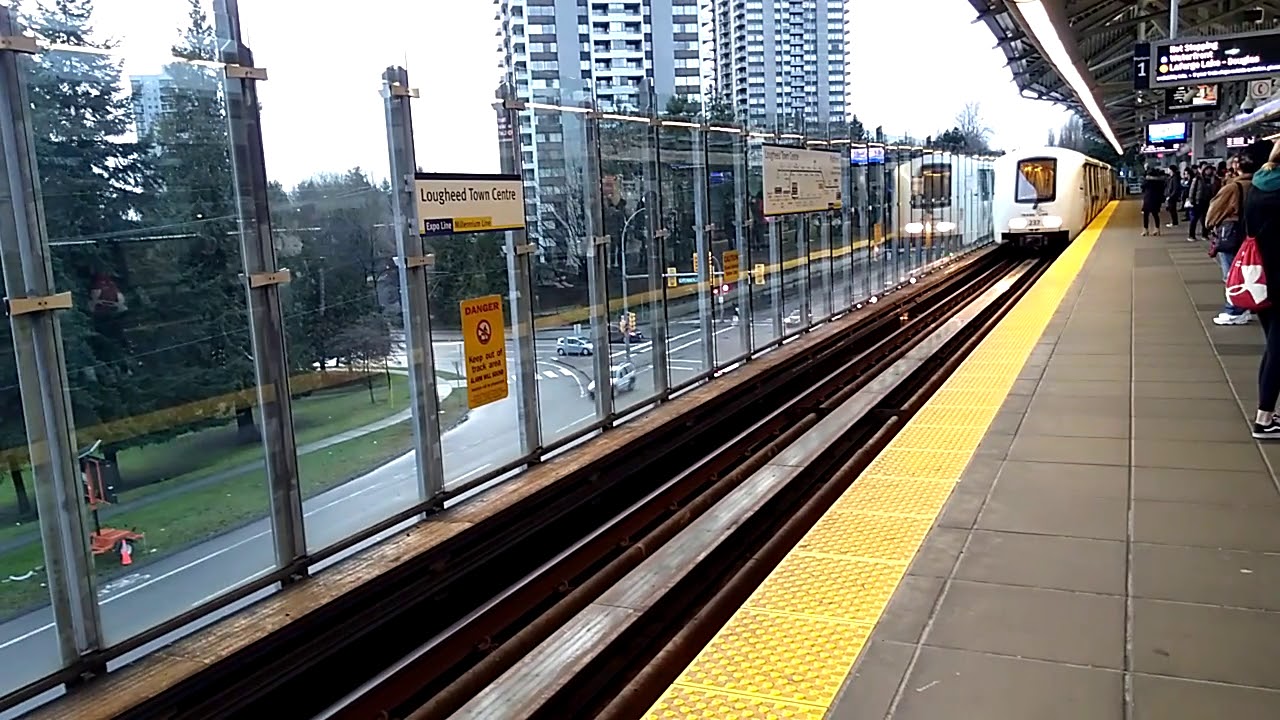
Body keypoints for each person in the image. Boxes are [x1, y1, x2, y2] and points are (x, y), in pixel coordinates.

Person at [1242, 139, 1280, 438]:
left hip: (1261, 279)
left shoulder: (1256, 188)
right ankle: (1264, 420)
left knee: (1273, 348)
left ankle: (1266, 415)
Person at [1206, 151, 1257, 325]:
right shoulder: (1259, 185)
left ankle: (1234, 309)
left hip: (1232, 234)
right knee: (1249, 272)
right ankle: (1245, 307)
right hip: (1252, 234)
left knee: (1231, 274)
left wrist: (1211, 226)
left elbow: (1214, 210)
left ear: (1237, 167)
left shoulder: (1233, 187)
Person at [1187, 164, 1219, 240]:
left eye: (1210, 169)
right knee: (1194, 219)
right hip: (1198, 201)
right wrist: (1192, 200)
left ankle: (1204, 234)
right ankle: (1191, 235)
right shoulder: (1198, 178)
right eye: (1207, 169)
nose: (1209, 171)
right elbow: (1192, 190)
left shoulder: (1212, 179)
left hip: (1207, 201)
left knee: (1205, 218)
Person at [1141, 166, 1166, 235]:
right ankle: (1157, 229)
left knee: (1146, 215)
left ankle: (1146, 230)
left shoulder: (1147, 182)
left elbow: (1142, 187)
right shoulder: (1160, 182)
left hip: (1147, 199)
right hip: (1156, 200)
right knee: (1155, 215)